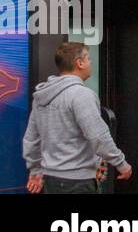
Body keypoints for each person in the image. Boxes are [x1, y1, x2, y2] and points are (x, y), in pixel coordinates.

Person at [23, 42, 132, 194]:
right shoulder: (82, 95)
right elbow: (98, 136)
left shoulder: (41, 97)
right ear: (79, 63)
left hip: (50, 181)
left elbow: (31, 139)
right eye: (88, 58)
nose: (90, 62)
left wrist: (35, 170)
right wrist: (121, 163)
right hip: (78, 183)